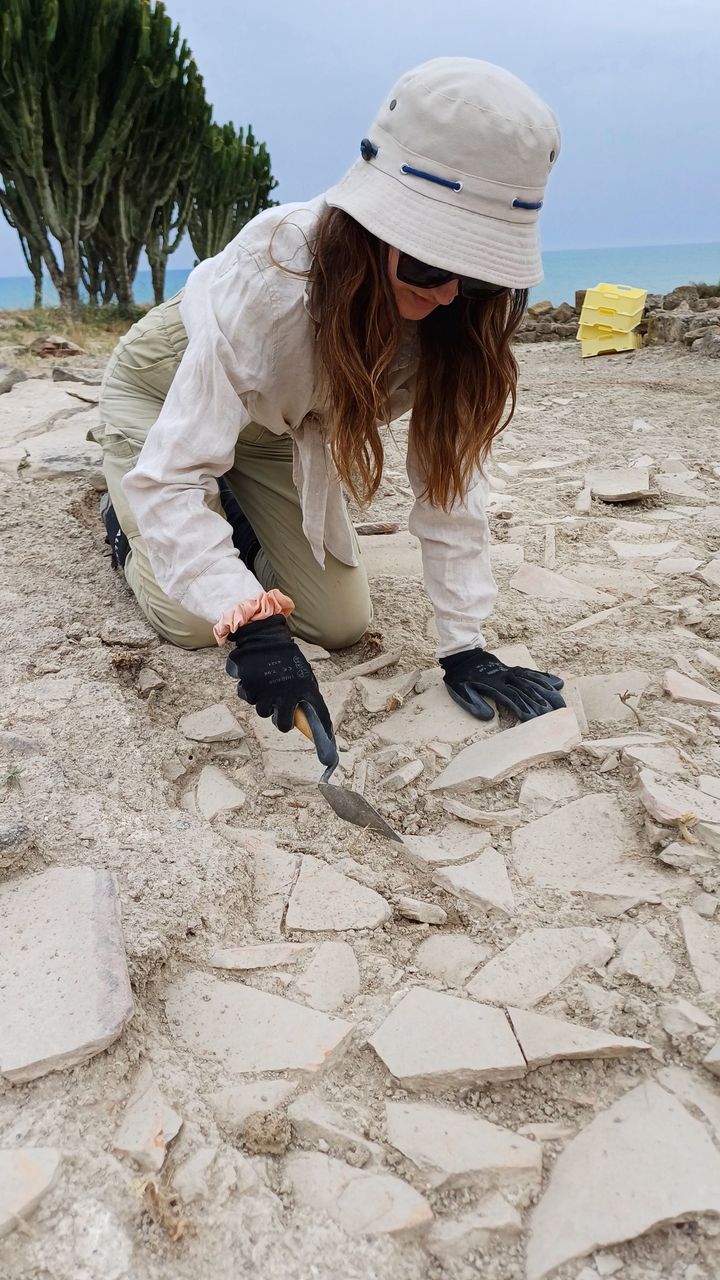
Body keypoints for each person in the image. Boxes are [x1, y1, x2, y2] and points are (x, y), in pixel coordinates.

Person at [96, 57, 566, 765]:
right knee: (193, 622)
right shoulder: (273, 279)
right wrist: (251, 626)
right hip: (163, 391)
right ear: (370, 231)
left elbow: (451, 485)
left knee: (338, 623)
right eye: (432, 265)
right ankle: (121, 517)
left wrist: (464, 644)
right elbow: (171, 475)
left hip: (274, 429)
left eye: (476, 276)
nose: (448, 294)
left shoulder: (457, 317)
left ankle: (230, 511)